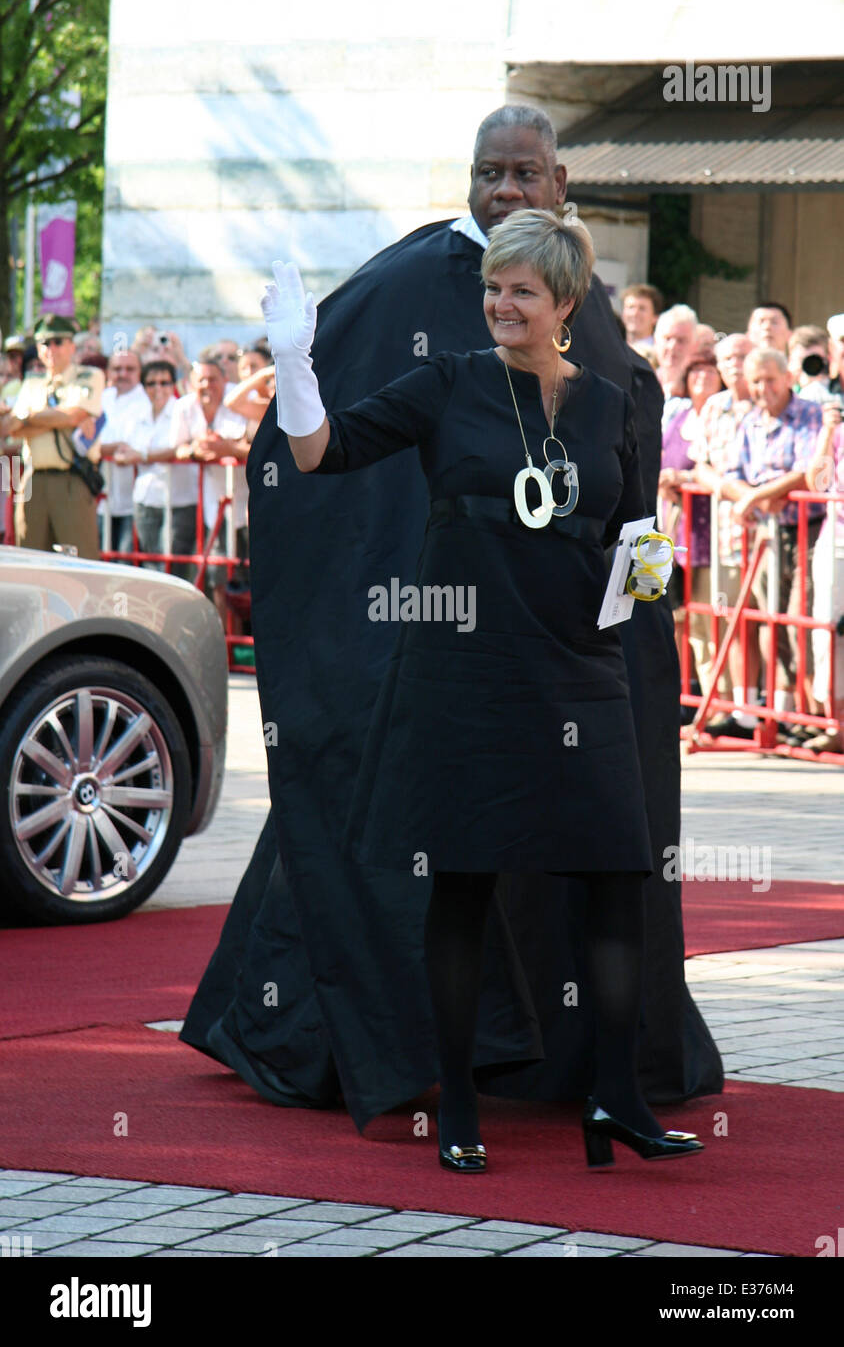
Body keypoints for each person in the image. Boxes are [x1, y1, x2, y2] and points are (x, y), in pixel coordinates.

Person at [181, 104, 722, 1132]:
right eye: (489, 174)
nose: (505, 192)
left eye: (525, 174)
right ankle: (456, 1097)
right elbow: (323, 459)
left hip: (578, 666)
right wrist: (294, 365)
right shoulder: (426, 339)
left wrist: (641, 592)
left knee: (612, 871)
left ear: (559, 200)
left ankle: (612, 1092)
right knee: (453, 881)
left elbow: (633, 513)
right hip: (459, 663)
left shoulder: (604, 365)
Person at [721, 348, 824, 735]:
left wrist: (754, 495)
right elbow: (731, 473)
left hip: (808, 531)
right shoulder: (750, 421)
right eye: (756, 380)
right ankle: (784, 714)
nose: (764, 388)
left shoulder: (810, 414)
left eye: (770, 379)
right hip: (768, 531)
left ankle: (811, 713)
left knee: (802, 617)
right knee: (772, 619)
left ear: (786, 378)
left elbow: (805, 471)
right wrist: (756, 494)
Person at [690, 334, 760, 736]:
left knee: (768, 625)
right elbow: (701, 465)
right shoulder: (715, 406)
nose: (735, 364)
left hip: (772, 532)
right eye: (728, 357)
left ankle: (767, 708)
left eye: (743, 356)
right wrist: (738, 493)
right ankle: (738, 708)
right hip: (726, 536)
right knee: (729, 622)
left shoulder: (773, 403)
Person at [2, 315, 103, 559]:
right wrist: (54, 418)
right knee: (32, 561)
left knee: (80, 561)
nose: (51, 349)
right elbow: (10, 428)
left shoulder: (89, 376)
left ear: (71, 345)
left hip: (71, 479)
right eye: (44, 343)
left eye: (58, 341)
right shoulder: (31, 384)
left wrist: (27, 417)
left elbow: (73, 416)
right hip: (34, 479)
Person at [658, 353, 724, 699]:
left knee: (709, 620)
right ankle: (681, 695)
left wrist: (684, 478)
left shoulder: (721, 415)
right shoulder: (678, 416)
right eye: (696, 368)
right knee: (679, 620)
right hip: (677, 530)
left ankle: (713, 700)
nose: (702, 375)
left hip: (713, 534)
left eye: (711, 369)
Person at [174, 355, 250, 622]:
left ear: (225, 380)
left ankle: (250, 649)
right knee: (219, 578)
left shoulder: (239, 402)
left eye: (213, 379)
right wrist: (196, 450)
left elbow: (250, 444)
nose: (208, 385)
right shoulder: (184, 407)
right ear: (192, 383)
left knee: (254, 578)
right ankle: (225, 646)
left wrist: (223, 448)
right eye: (202, 380)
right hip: (215, 506)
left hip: (250, 503)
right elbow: (178, 447)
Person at [112, 360, 199, 578]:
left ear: (173, 385)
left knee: (174, 569)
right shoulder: (138, 414)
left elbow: (180, 447)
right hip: (145, 499)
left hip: (179, 501)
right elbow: (125, 447)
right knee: (151, 568)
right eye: (151, 383)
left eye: (164, 382)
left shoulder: (185, 410)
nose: (158, 388)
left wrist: (142, 455)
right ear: (144, 387)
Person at [805, 399, 844, 753]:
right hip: (836, 539)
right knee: (827, 629)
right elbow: (817, 484)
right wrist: (828, 431)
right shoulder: (836, 423)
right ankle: (836, 723)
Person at [97, 350, 150, 555]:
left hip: (134, 500)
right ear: (108, 371)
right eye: (117, 369)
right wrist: (111, 446)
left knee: (127, 563)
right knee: (100, 563)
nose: (123, 374)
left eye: (130, 369)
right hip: (102, 498)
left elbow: (133, 446)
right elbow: (85, 441)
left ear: (139, 372)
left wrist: (103, 448)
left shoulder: (147, 401)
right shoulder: (102, 398)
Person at [654, 305, 699, 398]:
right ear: (655, 341)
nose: (672, 347)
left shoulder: (700, 390)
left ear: (695, 346)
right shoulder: (642, 383)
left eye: (681, 340)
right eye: (667, 338)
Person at [621, 284, 663, 349]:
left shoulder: (661, 352)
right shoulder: (613, 349)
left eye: (642, 308)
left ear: (655, 317)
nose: (635, 313)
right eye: (631, 307)